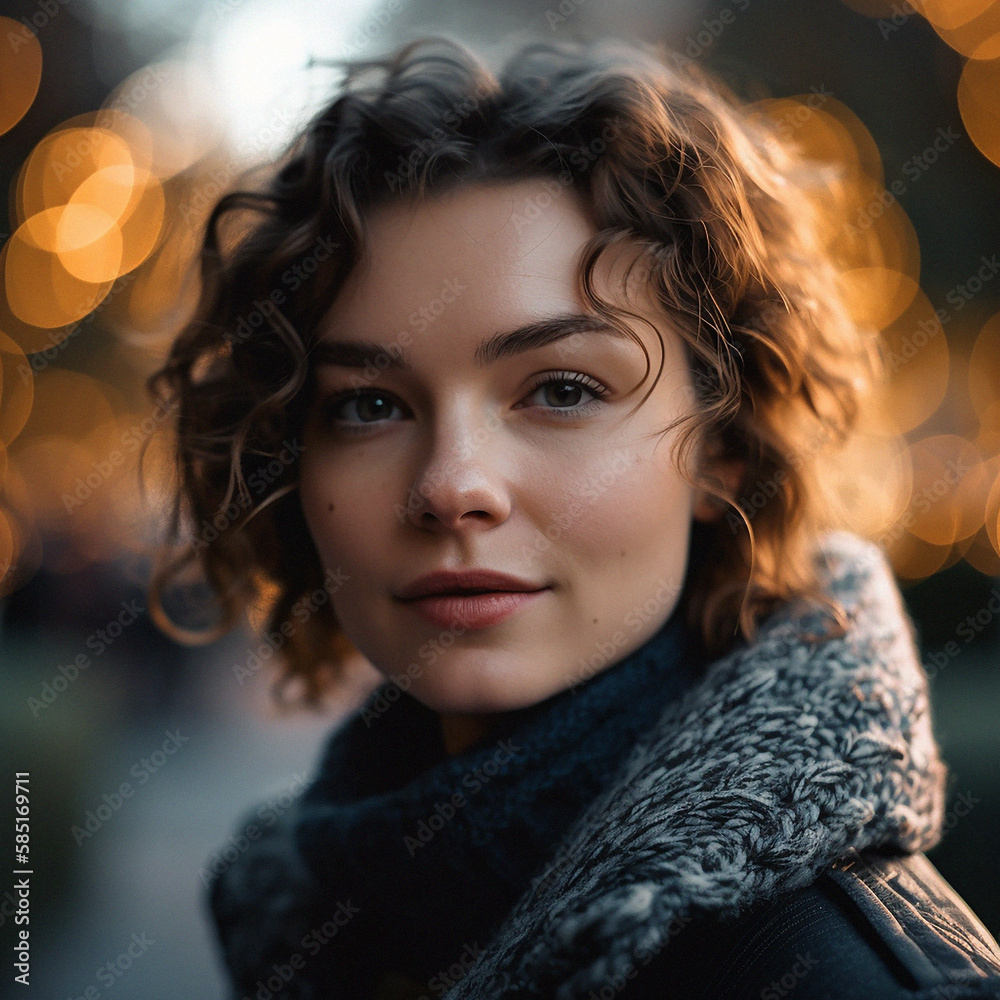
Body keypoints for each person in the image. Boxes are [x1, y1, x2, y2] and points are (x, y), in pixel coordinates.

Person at [145, 32, 1000, 1000]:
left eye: (558, 388)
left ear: (722, 446)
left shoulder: (843, 978)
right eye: (367, 404)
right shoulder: (300, 908)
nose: (451, 485)